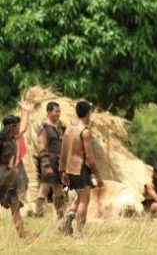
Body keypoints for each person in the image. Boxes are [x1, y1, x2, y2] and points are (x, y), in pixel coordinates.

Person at [59, 100, 104, 237]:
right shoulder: (85, 131)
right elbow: (89, 157)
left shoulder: (69, 128)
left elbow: (64, 151)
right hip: (81, 169)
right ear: (88, 113)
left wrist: (63, 171)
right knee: (84, 200)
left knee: (79, 199)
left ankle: (65, 223)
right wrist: (98, 175)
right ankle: (79, 232)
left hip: (70, 169)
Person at [31, 101, 68, 219]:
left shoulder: (59, 127)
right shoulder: (45, 128)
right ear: (48, 112)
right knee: (45, 187)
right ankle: (38, 212)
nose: (58, 113)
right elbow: (41, 146)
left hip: (58, 161)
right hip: (49, 160)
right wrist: (46, 164)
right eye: (55, 111)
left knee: (58, 188)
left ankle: (60, 214)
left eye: (59, 111)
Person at [0, 104, 32, 238]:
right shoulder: (1, 140)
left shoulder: (13, 138)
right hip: (2, 176)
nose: (19, 127)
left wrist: (26, 111)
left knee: (14, 204)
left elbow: (23, 127)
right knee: (14, 204)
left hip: (8, 177)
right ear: (11, 127)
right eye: (16, 125)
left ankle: (23, 234)